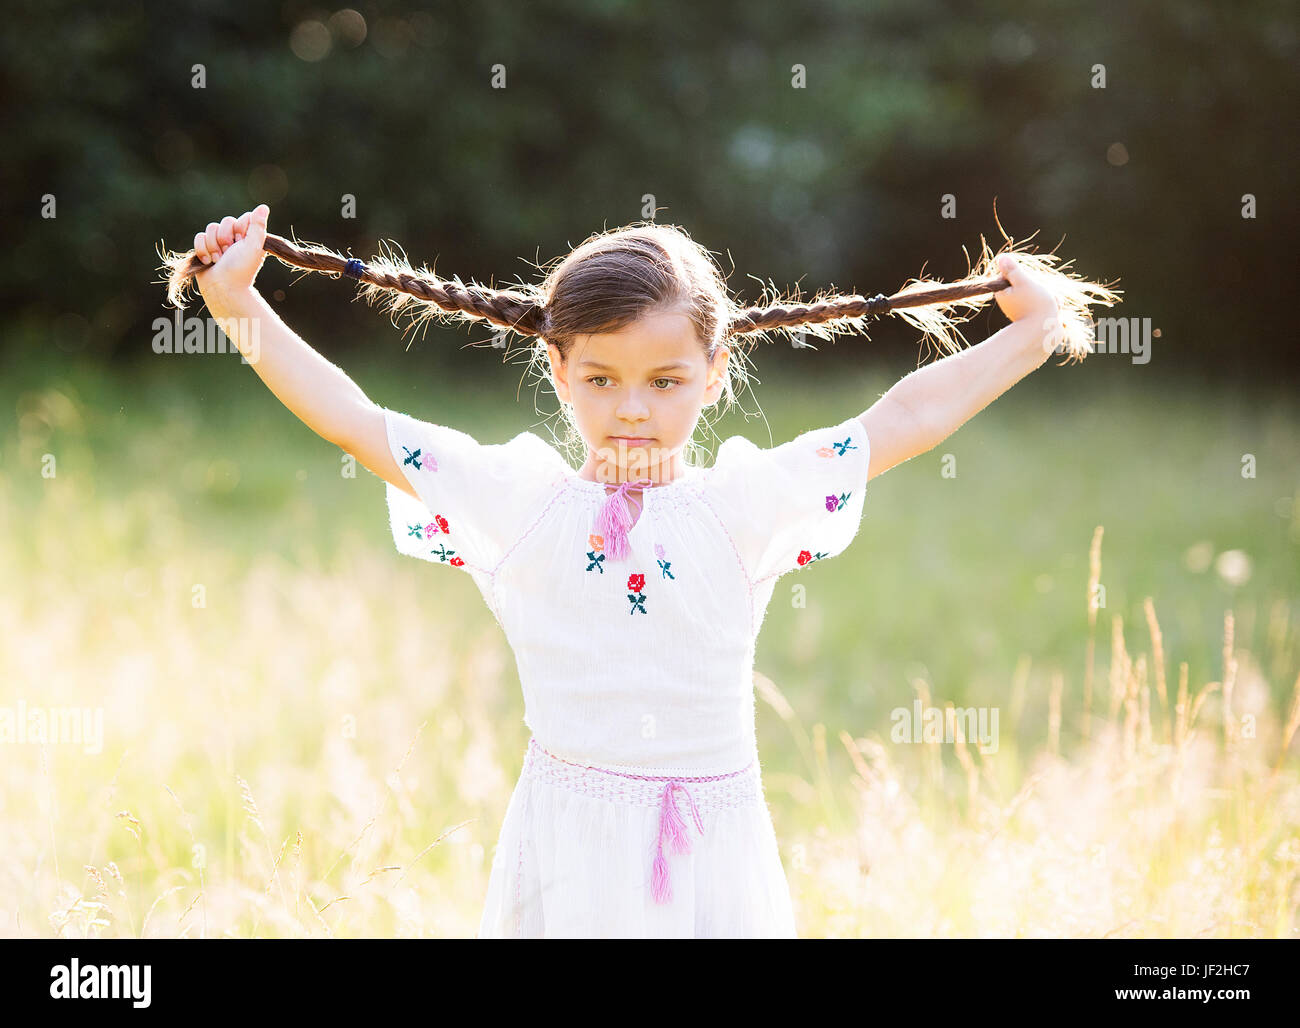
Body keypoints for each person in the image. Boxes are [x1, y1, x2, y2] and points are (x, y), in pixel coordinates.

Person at [179, 203, 1115, 937]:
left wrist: (1033, 331)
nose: (633, 409)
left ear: (713, 374)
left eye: (665, 381)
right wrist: (237, 305)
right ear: (558, 370)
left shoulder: (737, 508)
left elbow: (904, 419)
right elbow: (353, 419)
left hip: (716, 853)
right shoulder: (517, 501)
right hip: (567, 848)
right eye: (602, 379)